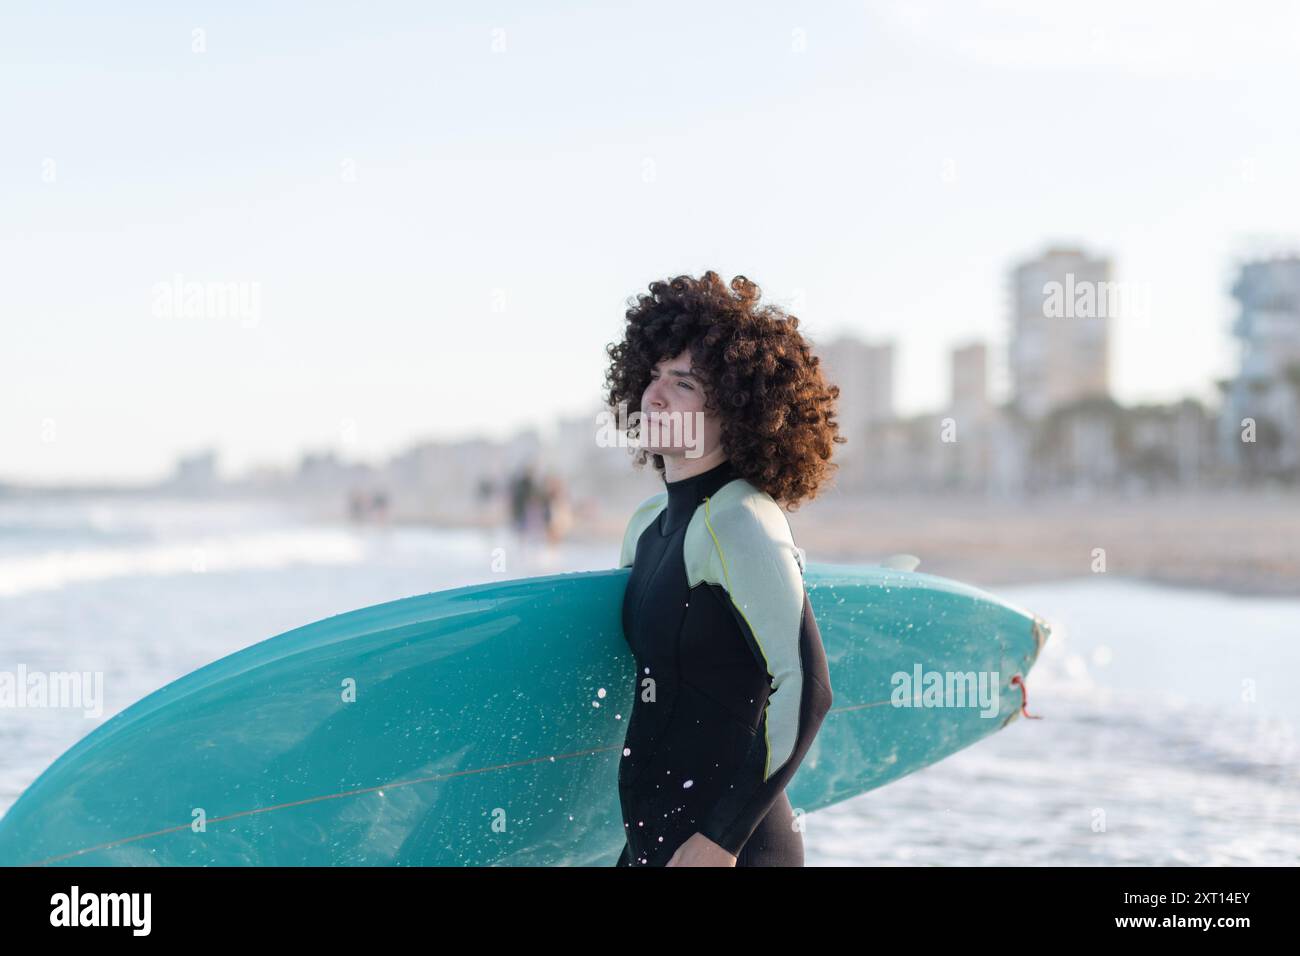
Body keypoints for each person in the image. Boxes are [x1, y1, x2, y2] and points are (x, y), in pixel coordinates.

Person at [603, 271, 844, 867]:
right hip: (653, 841)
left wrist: (721, 839)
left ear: (737, 411)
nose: (655, 396)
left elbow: (808, 688)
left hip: (731, 848)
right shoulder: (647, 524)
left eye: (683, 383)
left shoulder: (742, 520)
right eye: (654, 375)